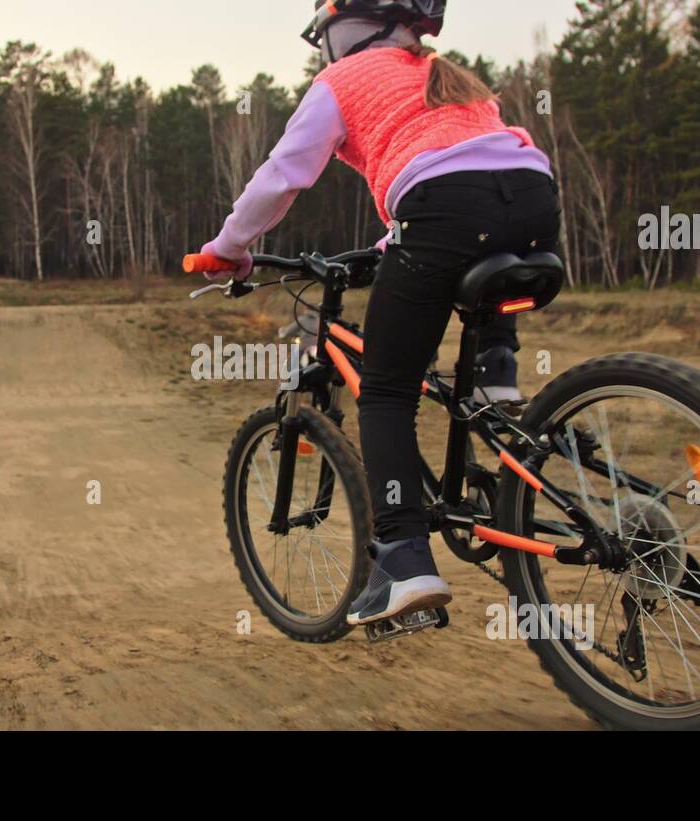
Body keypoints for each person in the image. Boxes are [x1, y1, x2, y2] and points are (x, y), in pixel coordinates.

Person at [197, 1, 560, 625]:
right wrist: (397, 242)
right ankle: (500, 373)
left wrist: (229, 249)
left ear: (342, 28)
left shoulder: (341, 80)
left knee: (387, 391)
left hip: (446, 211)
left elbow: (283, 175)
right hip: (534, 203)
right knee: (475, 266)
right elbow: (464, 160)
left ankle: (403, 561)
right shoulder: (447, 71)